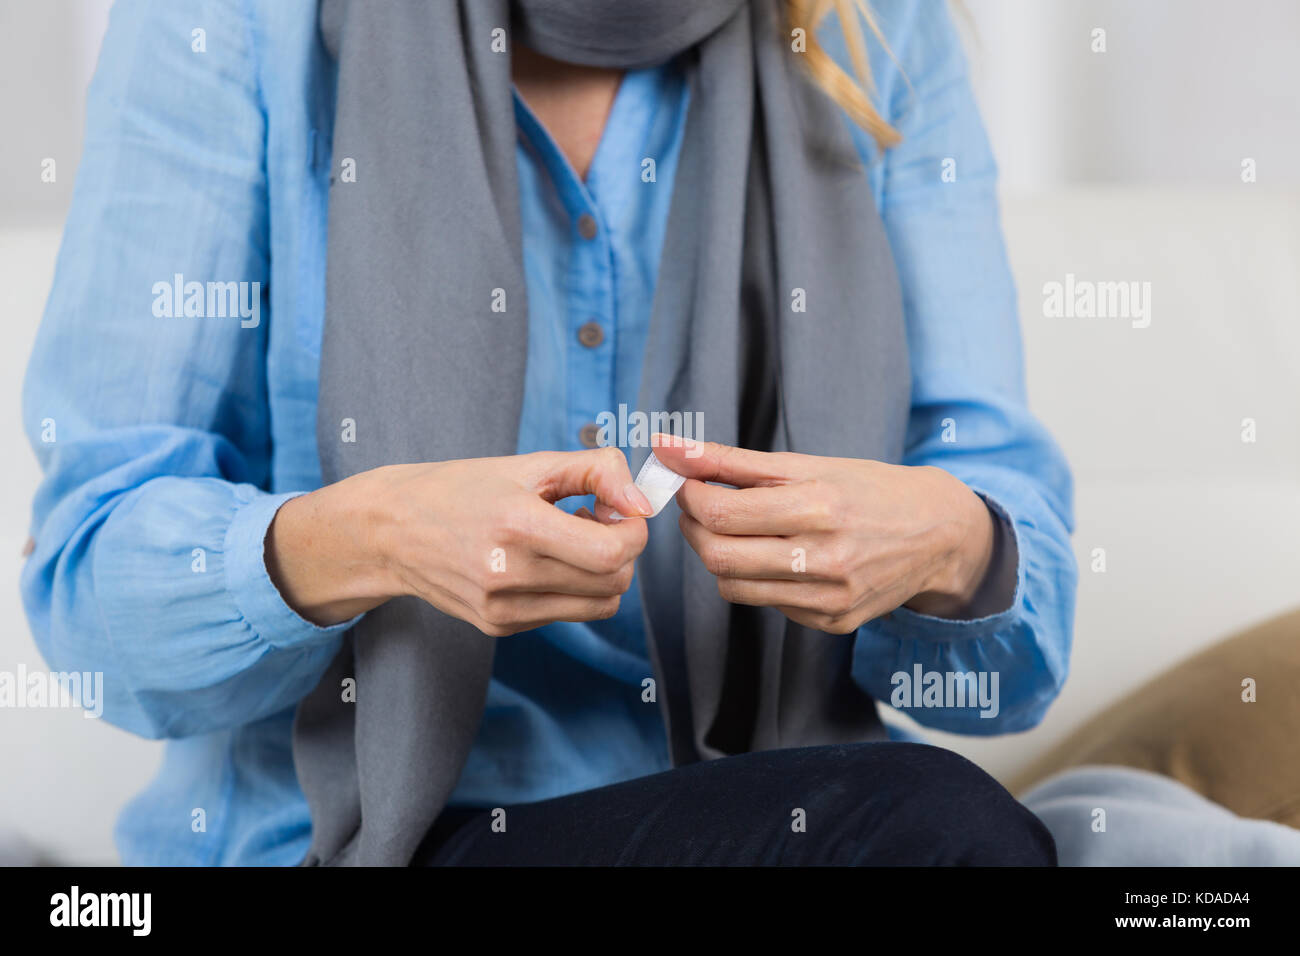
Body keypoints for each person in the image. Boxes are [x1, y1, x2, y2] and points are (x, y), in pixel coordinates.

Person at [21, 0, 1075, 866]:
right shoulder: (229, 23)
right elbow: (91, 593)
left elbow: (1020, 664)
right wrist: (369, 536)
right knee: (936, 833)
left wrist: (946, 542)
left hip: (776, 805)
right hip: (366, 842)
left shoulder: (876, 32)